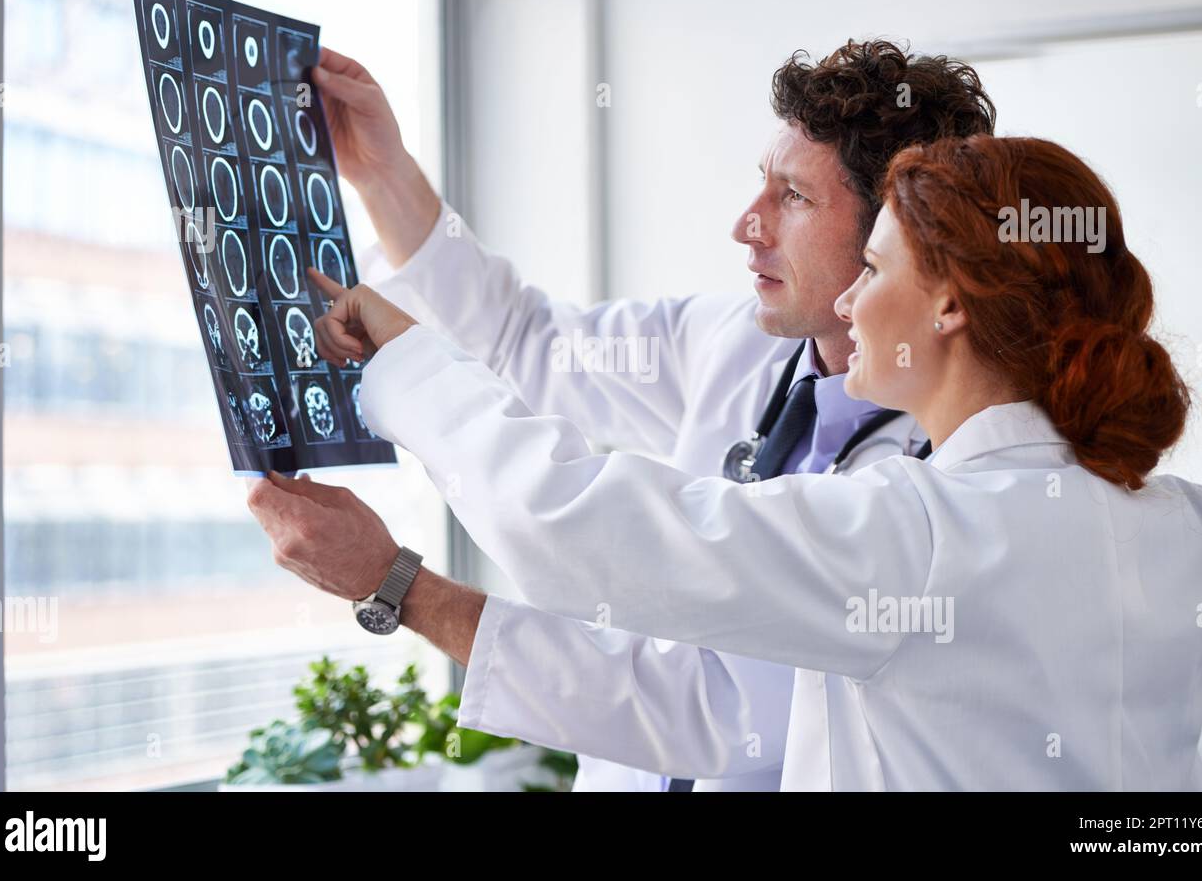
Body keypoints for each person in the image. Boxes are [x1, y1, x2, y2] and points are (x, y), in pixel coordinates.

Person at [251, 133, 1202, 790]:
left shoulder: (914, 536)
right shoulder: (1189, 529)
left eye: (873, 268)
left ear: (949, 303)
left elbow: (581, 527)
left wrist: (403, 357)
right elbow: (538, 355)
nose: (852, 303)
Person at [269, 39, 993, 791]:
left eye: (795, 197)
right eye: (761, 186)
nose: (747, 225)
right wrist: (380, 172)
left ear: (895, 235)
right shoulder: (734, 342)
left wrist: (397, 584)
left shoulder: (931, 478)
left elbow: (710, 712)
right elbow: (526, 342)